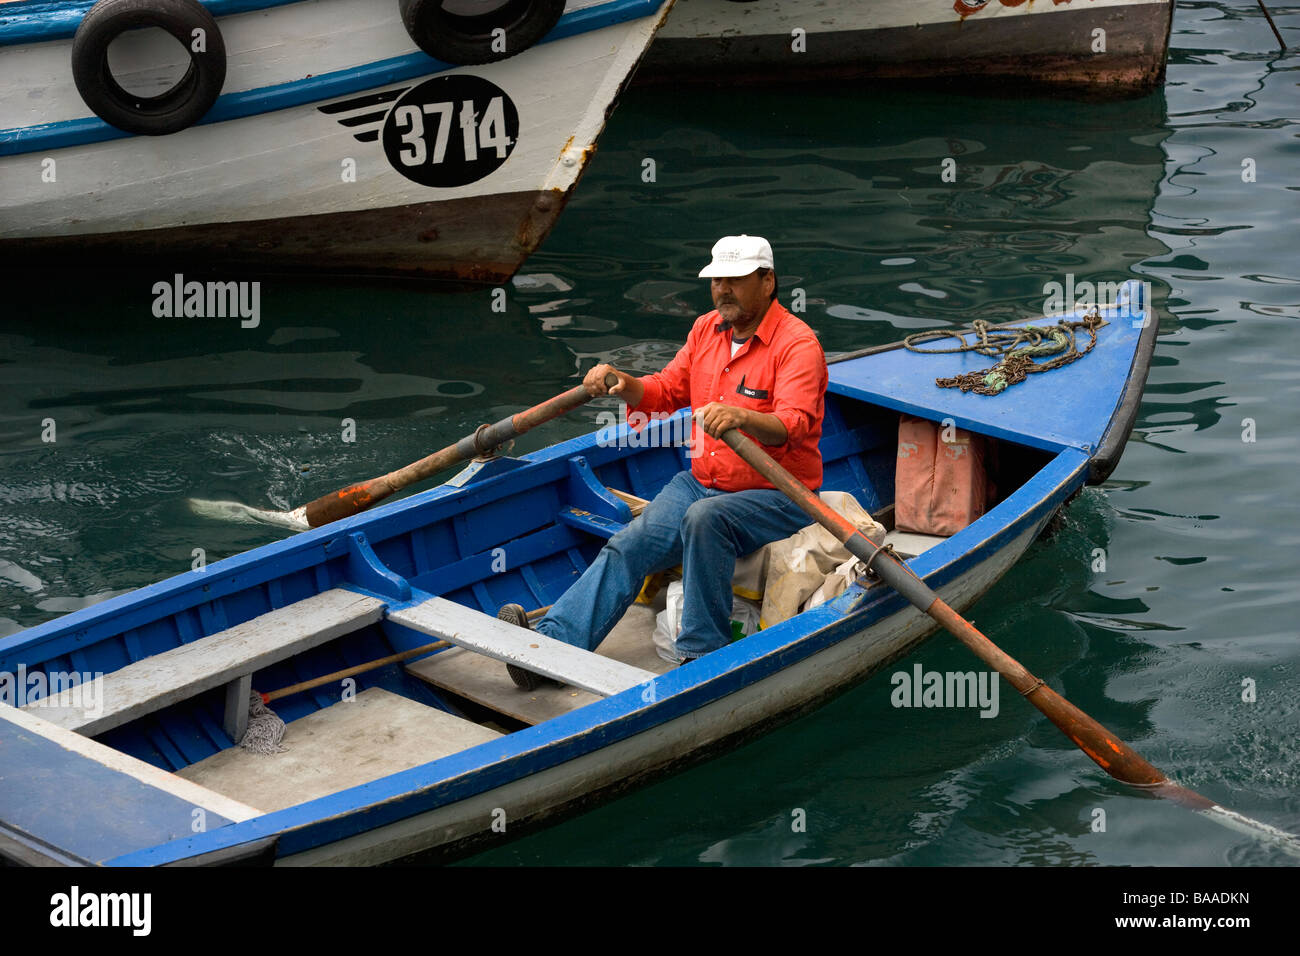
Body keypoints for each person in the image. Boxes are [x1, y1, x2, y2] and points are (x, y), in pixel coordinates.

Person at [500, 235, 828, 688]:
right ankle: (550, 649)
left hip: (779, 494)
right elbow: (664, 391)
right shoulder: (705, 330)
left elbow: (794, 423)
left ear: (767, 281)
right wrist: (621, 381)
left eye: (734, 279)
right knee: (629, 544)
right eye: (717, 280)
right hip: (703, 481)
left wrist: (744, 416)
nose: (723, 290)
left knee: (704, 519)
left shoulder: (798, 345)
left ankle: (699, 657)